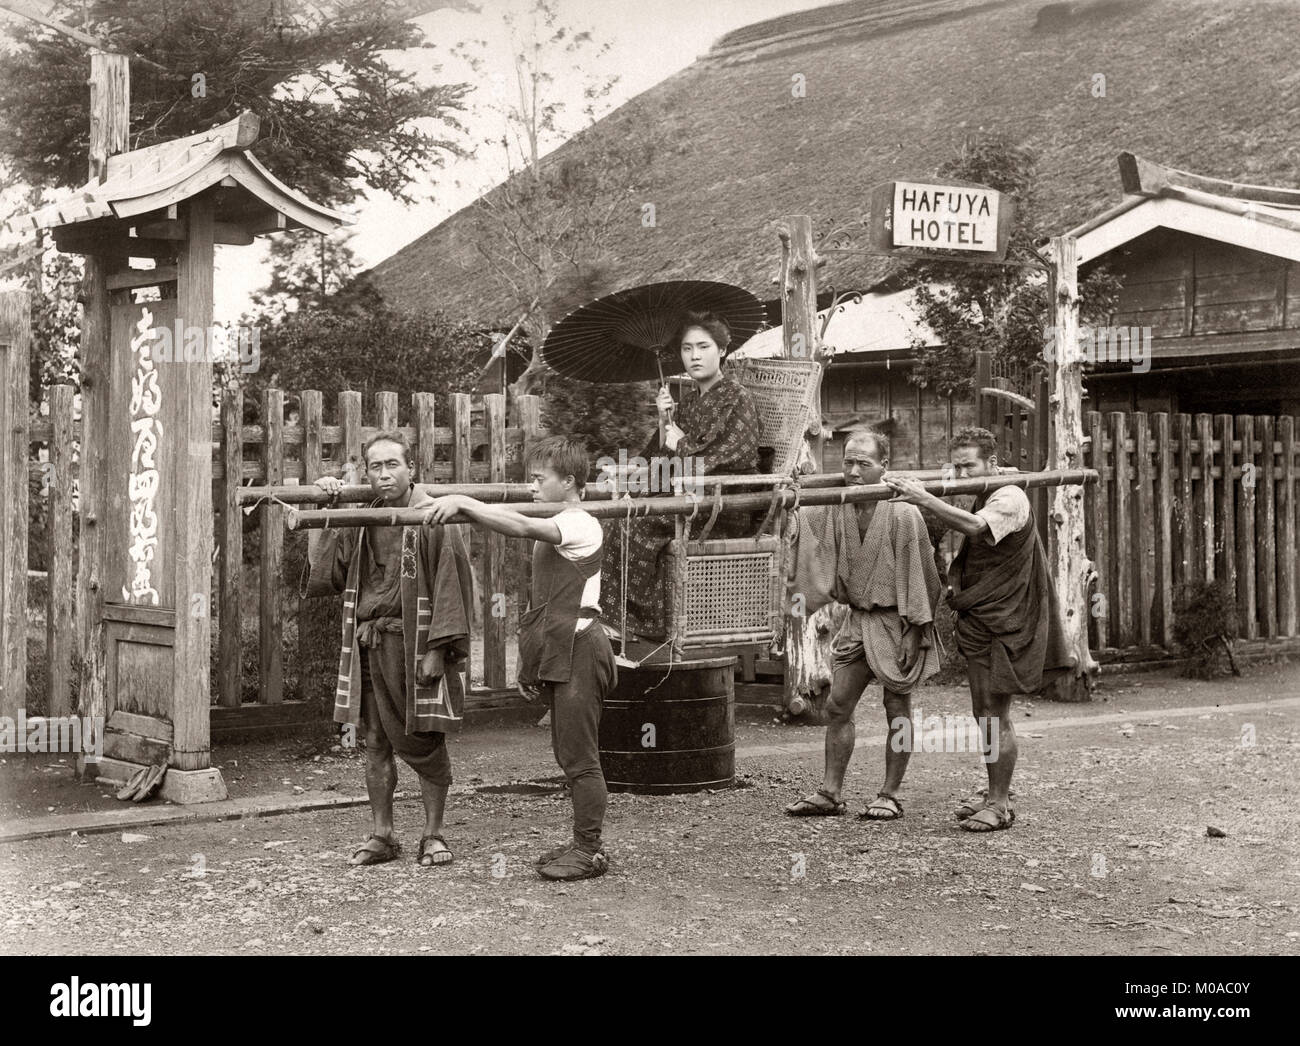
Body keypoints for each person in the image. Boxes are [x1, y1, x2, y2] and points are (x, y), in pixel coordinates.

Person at [424, 436, 618, 881]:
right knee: (567, 752)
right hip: (561, 649)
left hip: (583, 650)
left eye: (538, 479)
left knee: (580, 757)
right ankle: (583, 843)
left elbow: (520, 526)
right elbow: (544, 606)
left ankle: (589, 850)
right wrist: (531, 664)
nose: (531, 487)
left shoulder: (581, 523)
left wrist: (462, 501)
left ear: (568, 482)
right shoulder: (556, 519)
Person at [884, 426, 1072, 832]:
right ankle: (992, 795)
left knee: (994, 713)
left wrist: (922, 496)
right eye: (957, 465)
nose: (962, 472)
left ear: (991, 462)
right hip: (983, 616)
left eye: (969, 465)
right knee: (982, 711)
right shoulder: (982, 487)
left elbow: (972, 527)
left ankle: (1000, 805)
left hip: (1006, 618)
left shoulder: (1009, 495)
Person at [305, 432, 475, 866]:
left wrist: (440, 649)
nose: (384, 474)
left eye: (392, 465)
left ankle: (433, 834)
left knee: (424, 737)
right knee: (376, 740)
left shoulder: (435, 516)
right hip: (368, 641)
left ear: (411, 468)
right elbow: (328, 572)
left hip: (415, 642)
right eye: (375, 466)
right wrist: (329, 506)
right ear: (367, 472)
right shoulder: (365, 518)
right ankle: (383, 834)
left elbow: (453, 585)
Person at [784, 427, 942, 821]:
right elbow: (800, 518)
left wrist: (916, 630)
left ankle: (889, 793)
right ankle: (831, 792)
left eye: (864, 463)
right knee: (838, 706)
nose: (853, 471)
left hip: (897, 620)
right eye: (848, 462)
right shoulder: (836, 505)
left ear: (884, 466)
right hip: (857, 621)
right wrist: (791, 489)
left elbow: (923, 573)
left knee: (896, 705)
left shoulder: (904, 512)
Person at [600, 310, 762, 643]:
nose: (694, 356)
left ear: (723, 351)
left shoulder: (737, 398)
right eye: (687, 349)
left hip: (723, 503)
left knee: (636, 522)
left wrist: (681, 444)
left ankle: (645, 623)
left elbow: (731, 457)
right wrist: (664, 422)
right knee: (615, 514)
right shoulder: (688, 402)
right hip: (687, 495)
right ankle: (619, 619)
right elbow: (663, 459)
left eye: (703, 346)